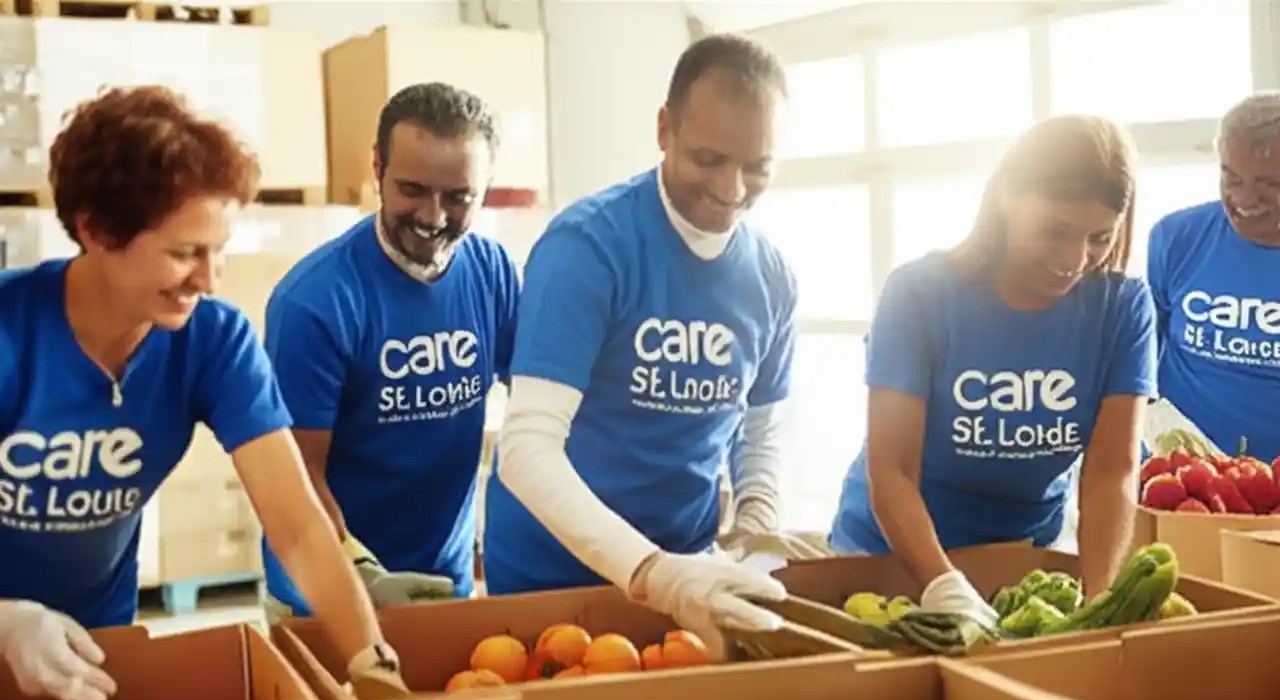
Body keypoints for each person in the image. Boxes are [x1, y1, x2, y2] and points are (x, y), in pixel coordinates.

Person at [0, 86, 408, 700]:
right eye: (184, 253)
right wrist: (6, 621)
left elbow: (297, 526)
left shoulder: (212, 341)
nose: (209, 279)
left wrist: (371, 661)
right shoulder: (11, 333)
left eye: (218, 252)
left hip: (96, 648)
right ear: (96, 230)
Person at [485, 34, 797, 657]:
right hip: (554, 577)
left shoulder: (771, 275)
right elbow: (525, 449)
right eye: (708, 159)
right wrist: (652, 572)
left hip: (689, 574)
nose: (732, 189)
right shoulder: (587, 249)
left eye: (757, 167)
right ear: (664, 129)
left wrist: (756, 523)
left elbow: (760, 430)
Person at [827, 115, 1158, 625]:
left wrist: (1098, 603)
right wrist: (943, 586)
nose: (1075, 259)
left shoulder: (1123, 307)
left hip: (1021, 561)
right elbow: (893, 472)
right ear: (1006, 196)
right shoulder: (919, 293)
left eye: (1099, 237)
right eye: (1056, 231)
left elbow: (1110, 472)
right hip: (891, 557)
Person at [259, 82, 518, 619]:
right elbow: (294, 477)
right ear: (377, 167)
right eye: (413, 190)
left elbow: (542, 407)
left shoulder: (491, 271)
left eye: (458, 197)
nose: (433, 216)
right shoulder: (316, 301)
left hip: (444, 586)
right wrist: (358, 573)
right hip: (322, 593)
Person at [1146, 92, 1280, 464]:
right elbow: (1137, 356)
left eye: (1271, 183)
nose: (1244, 198)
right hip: (1181, 477)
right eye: (1231, 177)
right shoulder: (1177, 237)